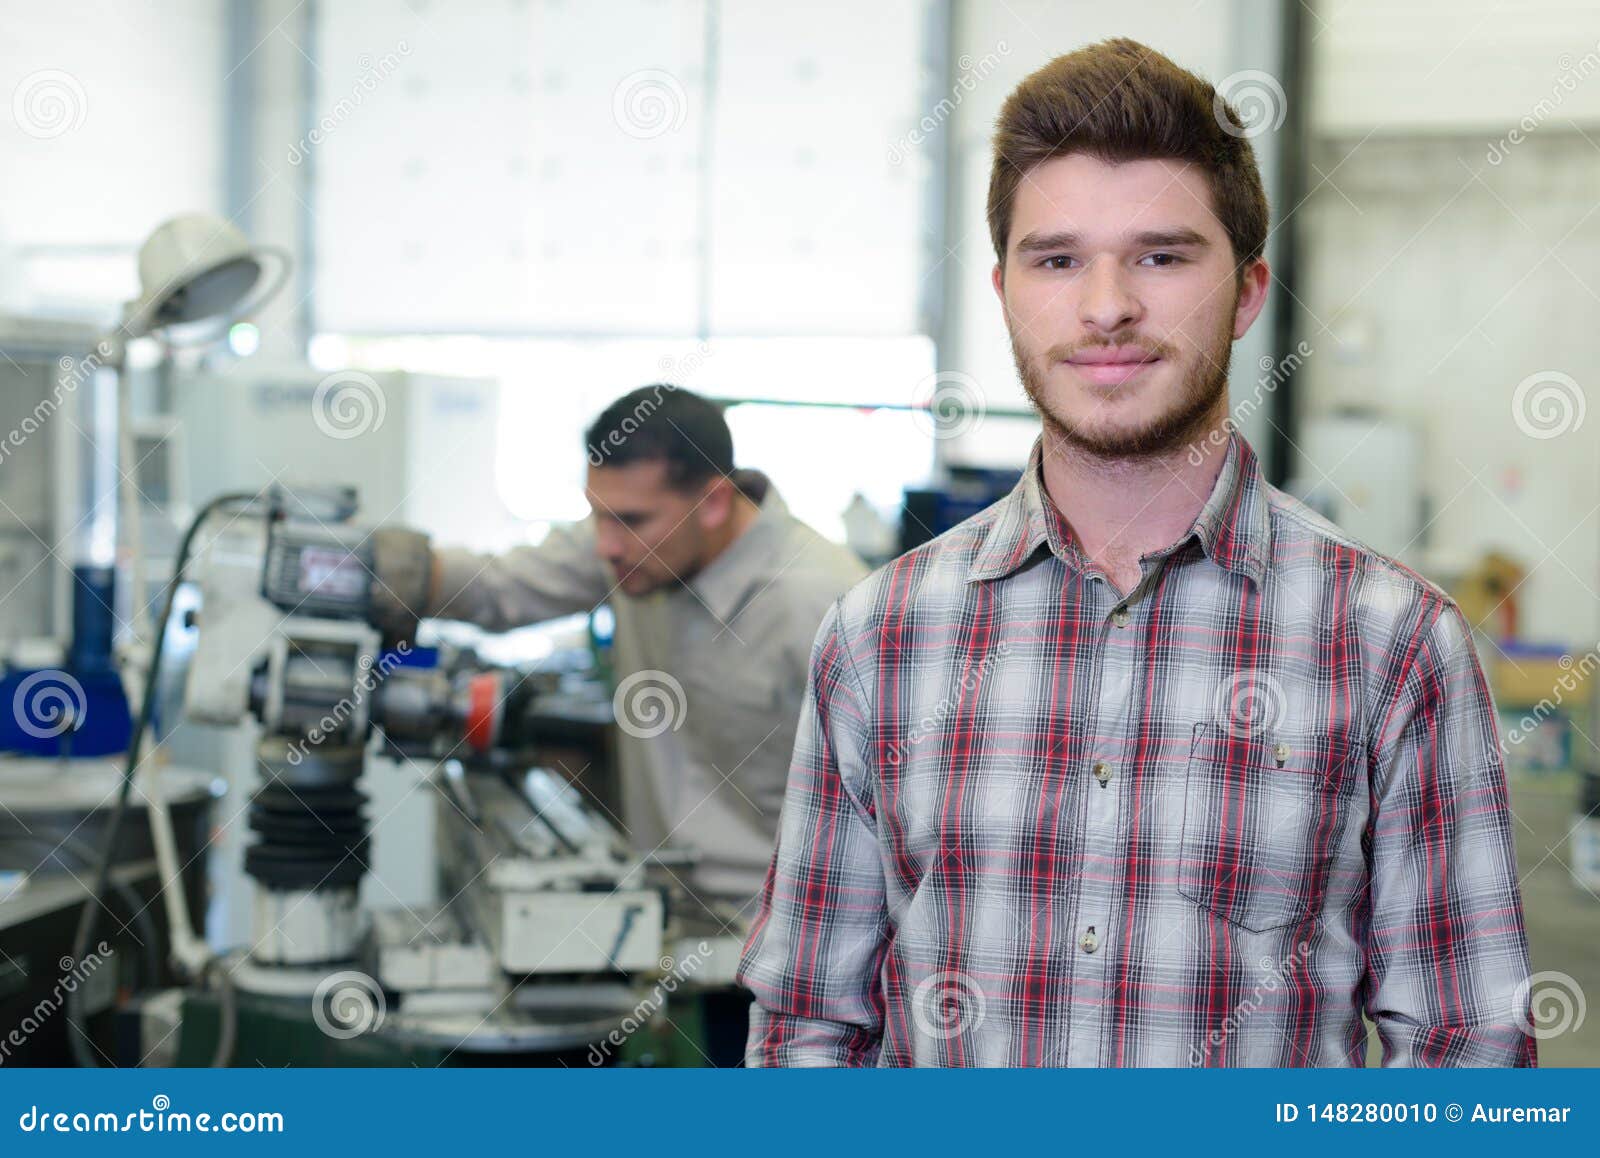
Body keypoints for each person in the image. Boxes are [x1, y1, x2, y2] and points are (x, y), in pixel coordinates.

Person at [737, 39, 1536, 1067]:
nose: (1105, 304)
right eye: (1057, 258)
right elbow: (808, 1027)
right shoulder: (881, 637)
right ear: (1004, 288)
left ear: (1247, 292)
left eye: (1160, 256)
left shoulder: (1389, 642)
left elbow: (1466, 1052)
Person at [372, 385, 866, 1064]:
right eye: (595, 516)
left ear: (715, 502)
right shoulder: (635, 544)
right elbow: (503, 586)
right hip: (653, 939)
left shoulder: (826, 606)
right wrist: (400, 574)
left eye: (627, 520)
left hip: (778, 979)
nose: (604, 545)